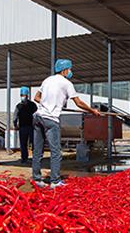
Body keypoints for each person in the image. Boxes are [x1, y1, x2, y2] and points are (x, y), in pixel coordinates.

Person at [32, 59, 101, 187]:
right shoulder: (66, 83)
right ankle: (55, 181)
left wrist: (48, 103)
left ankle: (36, 179)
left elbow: (36, 97)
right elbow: (79, 103)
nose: (70, 72)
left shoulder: (47, 80)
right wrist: (93, 111)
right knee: (56, 152)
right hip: (50, 119)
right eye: (69, 69)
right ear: (64, 70)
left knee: (37, 150)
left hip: (37, 117)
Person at [13, 86, 36, 164]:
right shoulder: (20, 106)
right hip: (25, 127)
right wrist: (15, 125)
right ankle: (26, 158)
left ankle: (26, 158)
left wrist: (15, 124)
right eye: (22, 95)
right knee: (24, 144)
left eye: (24, 95)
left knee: (30, 143)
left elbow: (15, 117)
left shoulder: (32, 105)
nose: (23, 97)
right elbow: (15, 117)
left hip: (30, 127)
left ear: (27, 95)